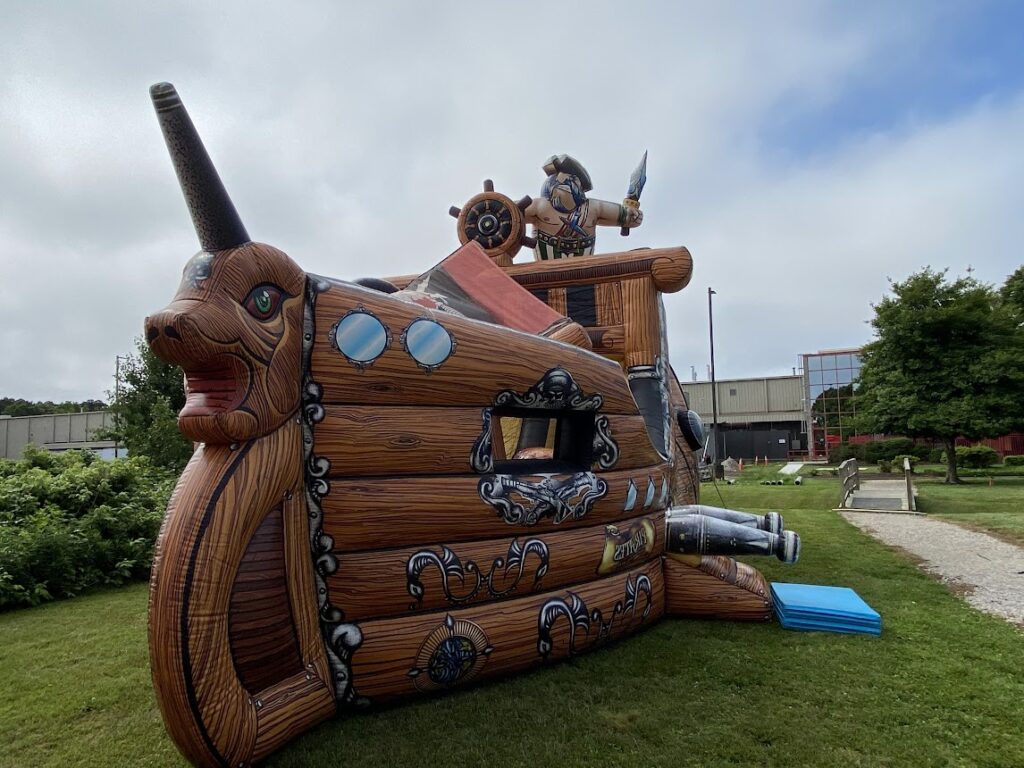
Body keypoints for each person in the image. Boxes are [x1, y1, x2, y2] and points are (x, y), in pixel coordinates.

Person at [524, 154, 643, 261]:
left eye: (568, 182)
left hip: (583, 273)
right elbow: (508, 210)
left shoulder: (593, 208)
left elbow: (629, 217)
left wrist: (632, 214)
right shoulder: (540, 206)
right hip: (545, 274)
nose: (563, 186)